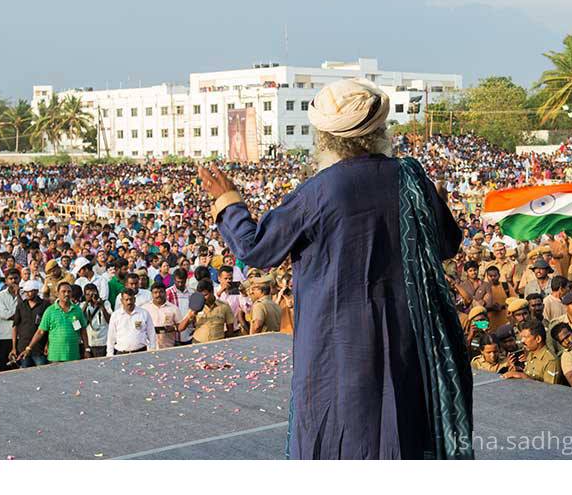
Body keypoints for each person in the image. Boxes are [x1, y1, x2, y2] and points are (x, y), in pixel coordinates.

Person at [199, 77, 472, 459]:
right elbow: (448, 244)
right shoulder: (412, 179)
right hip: (409, 335)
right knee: (404, 424)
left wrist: (228, 202)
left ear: (324, 138)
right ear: (379, 129)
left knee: (344, 430)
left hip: (339, 342)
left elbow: (257, 249)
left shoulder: (321, 190)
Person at [19, 281, 89, 363]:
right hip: (55, 356)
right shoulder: (50, 310)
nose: (66, 294)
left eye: (69, 292)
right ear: (57, 294)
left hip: (73, 355)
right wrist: (28, 348)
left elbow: (83, 331)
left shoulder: (77, 310)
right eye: (63, 291)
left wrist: (87, 349)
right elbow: (40, 331)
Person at [502, 320, 560, 384]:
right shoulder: (531, 353)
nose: (522, 341)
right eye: (522, 337)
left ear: (538, 339)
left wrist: (523, 376)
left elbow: (551, 390)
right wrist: (518, 371)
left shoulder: (550, 361)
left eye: (525, 337)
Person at [178, 279, 235, 345]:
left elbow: (230, 330)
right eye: (201, 296)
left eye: (205, 295)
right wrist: (191, 315)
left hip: (218, 344)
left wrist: (220, 341)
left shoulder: (224, 306)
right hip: (198, 344)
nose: (203, 298)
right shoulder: (196, 306)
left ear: (212, 292)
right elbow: (180, 328)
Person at [11, 280, 49, 368]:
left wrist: (48, 344)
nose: (27, 294)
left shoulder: (45, 305)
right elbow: (15, 326)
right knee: (24, 376)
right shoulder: (21, 306)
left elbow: (49, 327)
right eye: (26, 292)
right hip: (22, 347)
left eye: (30, 291)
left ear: (36, 291)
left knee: (42, 375)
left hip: (40, 348)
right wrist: (13, 347)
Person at [106, 289, 156, 356]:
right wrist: (109, 354)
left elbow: (151, 333)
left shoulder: (144, 313)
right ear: (121, 301)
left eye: (131, 299)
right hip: (122, 354)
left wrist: (152, 350)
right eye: (126, 300)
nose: (129, 302)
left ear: (134, 299)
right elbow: (111, 337)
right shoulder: (115, 315)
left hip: (141, 352)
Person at [0, 270, 21, 370]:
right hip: (4, 336)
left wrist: (19, 295)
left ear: (20, 279)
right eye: (11, 278)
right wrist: (20, 315)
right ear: (6, 281)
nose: (13, 281)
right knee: (5, 367)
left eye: (16, 278)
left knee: (20, 367)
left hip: (21, 336)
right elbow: (4, 315)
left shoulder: (25, 295)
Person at [142, 282, 181, 349]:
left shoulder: (173, 308)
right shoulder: (145, 308)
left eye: (161, 292)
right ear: (152, 294)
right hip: (150, 348)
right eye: (155, 292)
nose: (158, 295)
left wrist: (173, 328)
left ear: (165, 293)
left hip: (168, 347)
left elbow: (180, 325)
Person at [82, 283, 112, 358]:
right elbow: (79, 320)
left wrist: (102, 306)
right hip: (90, 342)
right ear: (85, 295)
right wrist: (86, 303)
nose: (92, 296)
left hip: (103, 342)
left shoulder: (106, 303)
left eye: (93, 293)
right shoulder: (83, 305)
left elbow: (110, 321)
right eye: (88, 294)